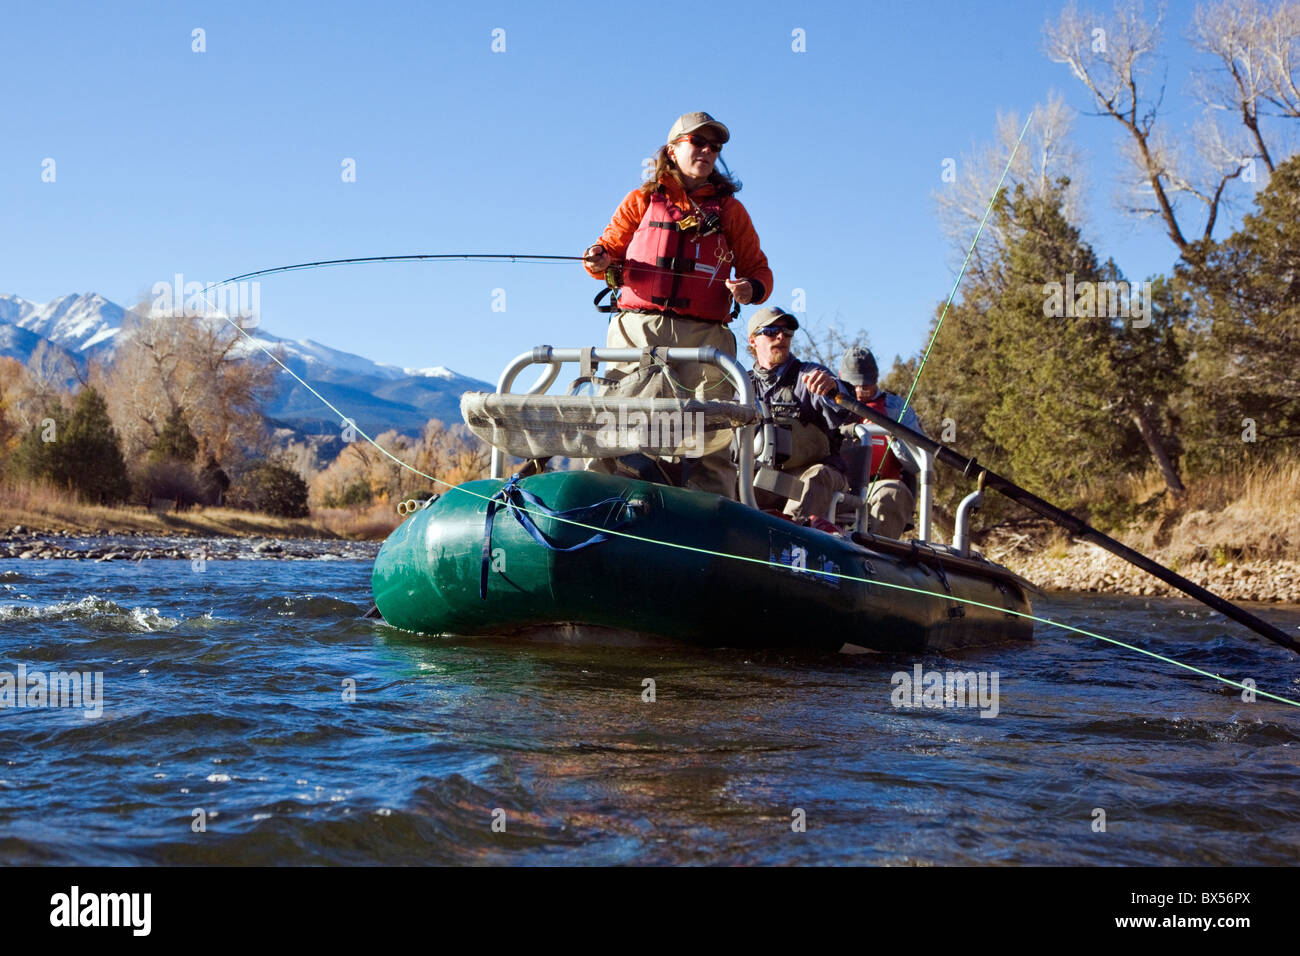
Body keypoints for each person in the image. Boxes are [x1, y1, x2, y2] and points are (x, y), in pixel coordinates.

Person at [583, 111, 773, 499]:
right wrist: (597, 258)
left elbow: (759, 272)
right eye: (697, 143)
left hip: (706, 340)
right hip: (638, 331)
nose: (707, 151)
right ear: (672, 150)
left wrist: (749, 290)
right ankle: (595, 505)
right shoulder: (640, 200)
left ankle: (711, 522)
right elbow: (605, 252)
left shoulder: (731, 211)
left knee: (713, 437)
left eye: (714, 146)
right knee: (614, 422)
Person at [746, 307, 855, 521]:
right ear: (753, 341)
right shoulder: (741, 384)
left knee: (816, 476)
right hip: (766, 479)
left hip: (818, 477)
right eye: (771, 331)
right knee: (727, 474)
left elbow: (847, 410)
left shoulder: (808, 375)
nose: (781, 336)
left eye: (787, 332)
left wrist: (833, 388)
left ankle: (791, 541)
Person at [839, 346, 926, 538]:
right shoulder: (831, 403)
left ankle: (877, 554)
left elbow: (918, 461)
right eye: (854, 385)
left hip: (878, 486)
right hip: (839, 483)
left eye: (866, 384)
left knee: (892, 494)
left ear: (876, 377)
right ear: (841, 377)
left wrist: (889, 432)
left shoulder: (896, 409)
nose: (860, 390)